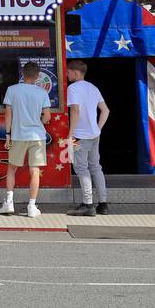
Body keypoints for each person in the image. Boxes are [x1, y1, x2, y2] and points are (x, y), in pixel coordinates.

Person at [0, 61, 51, 218]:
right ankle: (31, 206)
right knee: (34, 170)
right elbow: (47, 116)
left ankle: (9, 202)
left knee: (12, 168)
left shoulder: (12, 90)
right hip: (37, 136)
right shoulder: (42, 93)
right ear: (37, 76)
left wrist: (7, 134)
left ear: (23, 73)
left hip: (18, 135)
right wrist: (38, 122)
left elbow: (8, 114)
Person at [64, 59, 110, 217]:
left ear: (75, 73)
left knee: (81, 169)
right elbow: (105, 111)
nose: (67, 74)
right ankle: (103, 204)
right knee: (96, 167)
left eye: (68, 72)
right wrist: (98, 128)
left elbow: (75, 112)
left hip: (79, 136)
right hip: (94, 135)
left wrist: (70, 135)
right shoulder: (93, 87)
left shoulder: (72, 88)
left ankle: (88, 204)